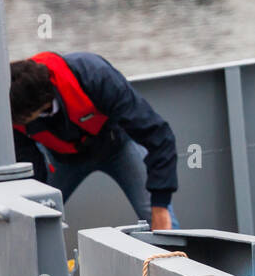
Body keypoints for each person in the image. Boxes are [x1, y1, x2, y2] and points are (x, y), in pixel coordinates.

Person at [9, 51, 178, 230]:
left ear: (36, 109)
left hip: (117, 147)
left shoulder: (95, 76)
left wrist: (159, 206)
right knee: (32, 219)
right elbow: (30, 170)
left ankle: (177, 256)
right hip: (63, 159)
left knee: (159, 219)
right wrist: (33, 212)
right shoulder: (13, 111)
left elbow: (159, 135)